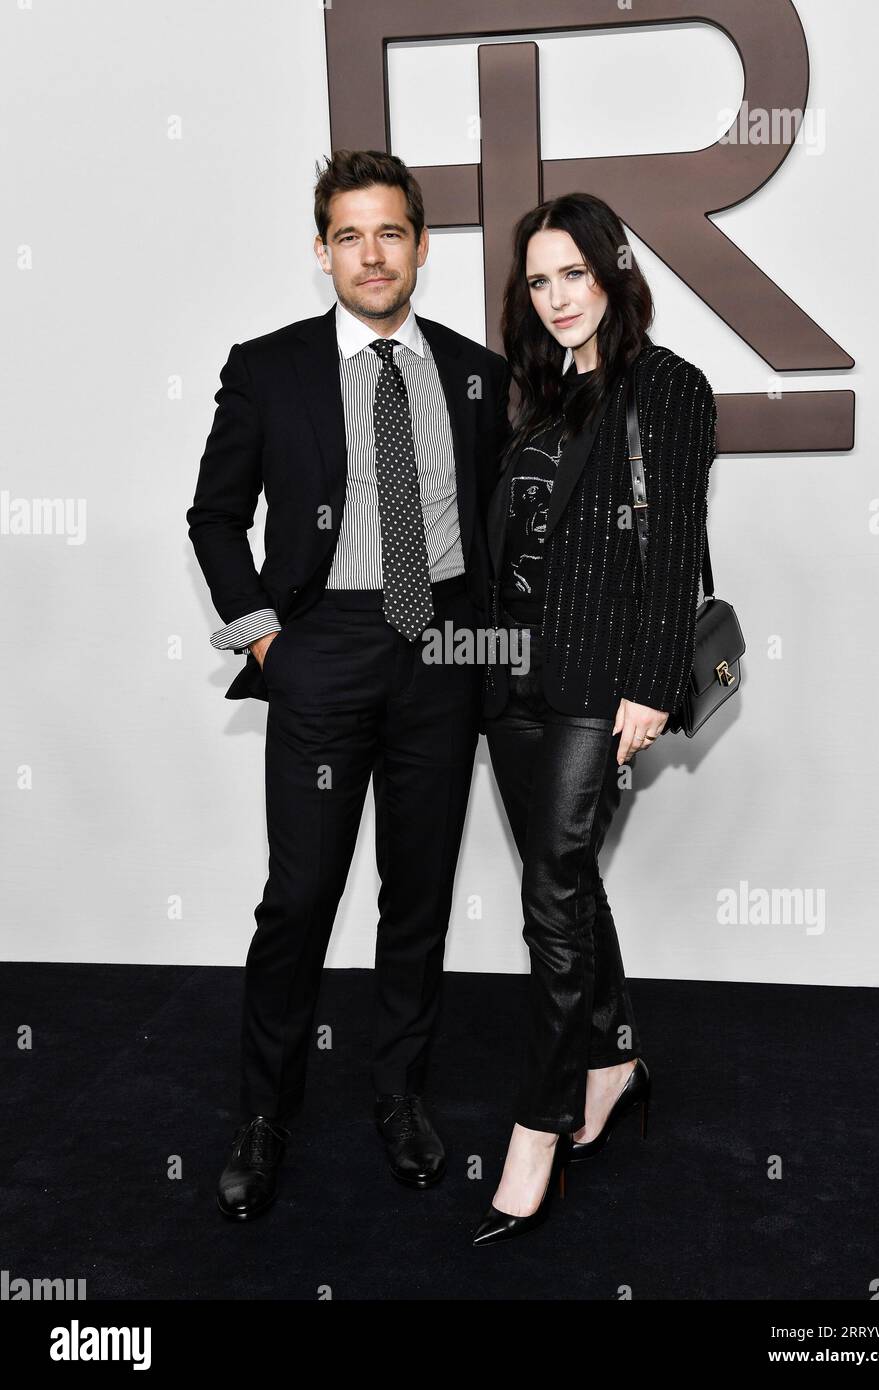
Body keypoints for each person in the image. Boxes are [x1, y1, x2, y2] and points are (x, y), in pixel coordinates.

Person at [186, 149, 512, 1220]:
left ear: (420, 244)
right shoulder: (269, 367)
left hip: (442, 656)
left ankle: (399, 1098)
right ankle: (262, 1116)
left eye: (389, 232)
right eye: (347, 235)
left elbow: (506, 524)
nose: (370, 255)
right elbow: (214, 516)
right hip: (323, 649)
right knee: (298, 901)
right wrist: (268, 643)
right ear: (321, 249)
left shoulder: (475, 372)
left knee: (414, 903)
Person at [474, 191, 717, 1245]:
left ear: (613, 270)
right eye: (538, 280)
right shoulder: (532, 396)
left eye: (573, 272)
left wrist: (652, 683)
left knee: (548, 894)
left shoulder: (665, 388)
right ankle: (615, 1059)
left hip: (596, 679)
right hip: (508, 678)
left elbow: (669, 551)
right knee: (566, 881)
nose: (557, 296)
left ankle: (543, 1115)